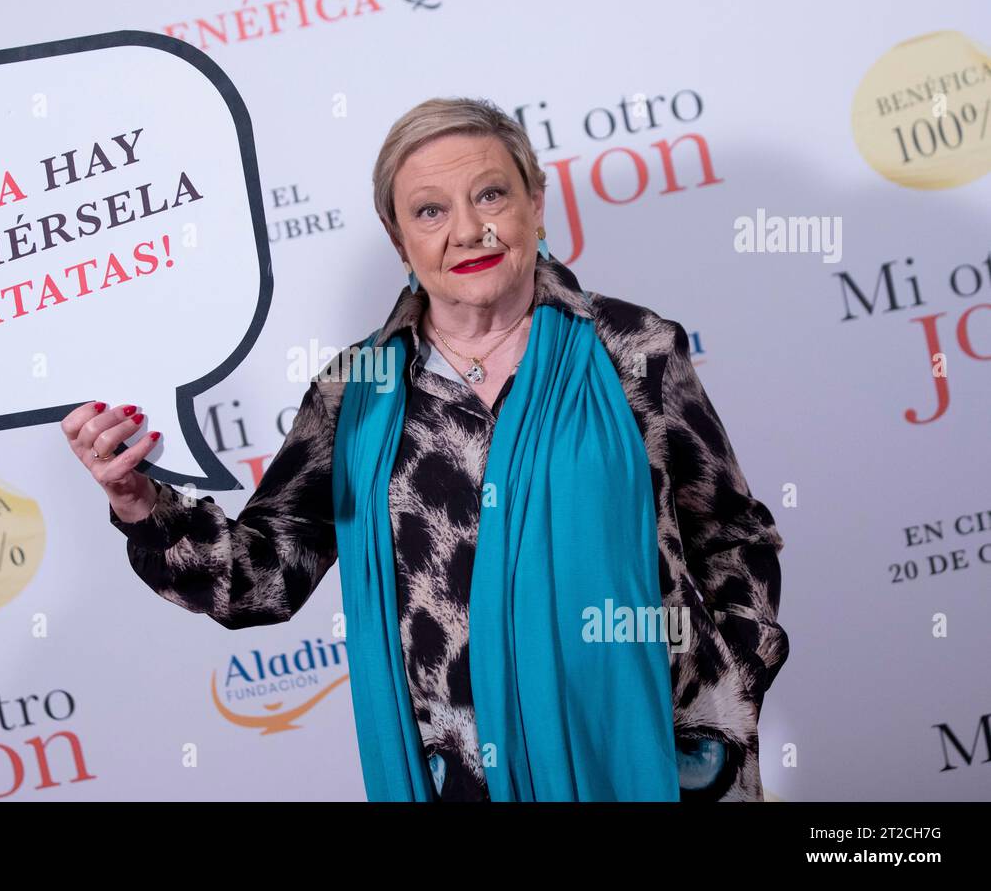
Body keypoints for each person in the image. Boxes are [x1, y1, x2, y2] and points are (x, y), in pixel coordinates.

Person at [62, 96, 789, 802]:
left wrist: (725, 690)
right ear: (397, 235)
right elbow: (261, 580)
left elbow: (731, 532)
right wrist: (141, 504)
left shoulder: (634, 349)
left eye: (492, 195)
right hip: (462, 782)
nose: (468, 230)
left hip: (658, 763)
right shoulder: (356, 391)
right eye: (431, 211)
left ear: (537, 204)